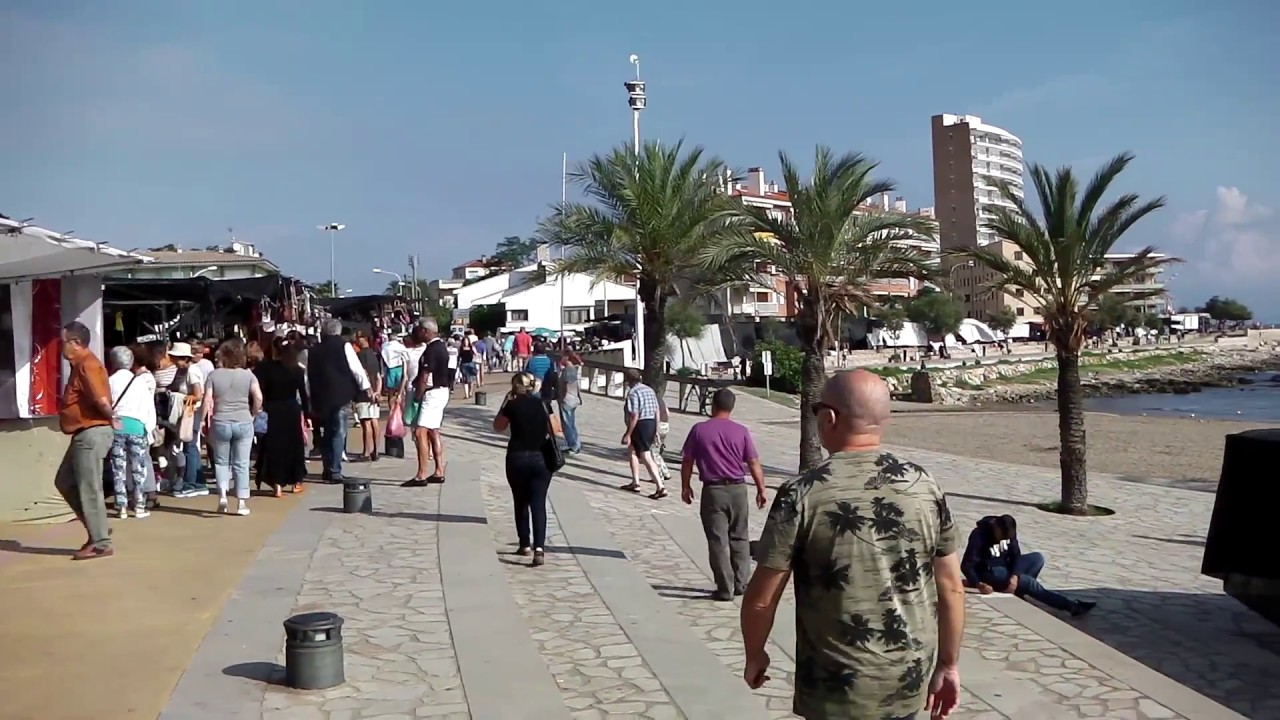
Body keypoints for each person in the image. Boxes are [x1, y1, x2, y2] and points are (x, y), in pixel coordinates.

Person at [741, 369, 964, 720]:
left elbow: (761, 599)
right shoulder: (925, 486)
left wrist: (755, 654)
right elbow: (952, 586)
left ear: (828, 417)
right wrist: (948, 665)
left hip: (834, 689)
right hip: (907, 680)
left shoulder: (802, 494)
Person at [679, 389, 767, 601]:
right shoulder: (741, 431)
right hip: (738, 490)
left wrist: (685, 486)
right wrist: (761, 489)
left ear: (713, 405)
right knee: (740, 536)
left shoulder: (699, 430)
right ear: (732, 407)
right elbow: (753, 462)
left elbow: (687, 461)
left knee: (718, 541)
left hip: (714, 490)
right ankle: (741, 582)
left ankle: (725, 588)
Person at [55, 321, 117, 560]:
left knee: (89, 487)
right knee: (65, 481)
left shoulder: (87, 365)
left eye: (63, 342)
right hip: (83, 433)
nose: (62, 348)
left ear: (76, 343)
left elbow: (100, 398)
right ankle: (97, 526)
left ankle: (101, 542)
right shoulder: (79, 365)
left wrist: (112, 416)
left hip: (92, 432)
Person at [961, 514, 1096, 617]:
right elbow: (967, 565)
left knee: (1037, 558)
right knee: (1029, 582)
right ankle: (1071, 606)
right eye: (1002, 537)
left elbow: (1016, 556)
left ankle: (1018, 588)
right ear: (996, 527)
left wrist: (1015, 575)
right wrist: (978, 583)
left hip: (1006, 569)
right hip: (990, 572)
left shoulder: (1008, 533)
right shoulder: (979, 535)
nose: (1004, 540)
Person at [492, 372, 560, 567]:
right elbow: (556, 429)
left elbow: (498, 426)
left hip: (517, 457)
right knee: (539, 502)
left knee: (520, 501)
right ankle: (539, 548)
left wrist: (505, 404)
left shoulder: (512, 405)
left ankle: (524, 543)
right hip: (541, 458)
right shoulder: (543, 404)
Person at [202, 339, 264, 516]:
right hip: (244, 420)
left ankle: (222, 495)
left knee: (221, 462)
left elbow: (207, 400)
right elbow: (258, 397)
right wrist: (253, 413)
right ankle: (242, 502)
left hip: (221, 421)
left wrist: (202, 421)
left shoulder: (214, 375)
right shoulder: (248, 375)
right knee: (242, 463)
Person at [307, 320, 372, 483]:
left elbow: (308, 376)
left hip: (320, 398)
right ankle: (335, 470)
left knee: (326, 434)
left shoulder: (314, 351)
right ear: (338, 331)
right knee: (338, 433)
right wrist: (366, 387)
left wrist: (309, 395)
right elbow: (356, 369)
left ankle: (327, 468)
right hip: (340, 396)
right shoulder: (345, 346)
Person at [254, 336, 310, 496]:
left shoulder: (265, 368)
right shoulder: (297, 370)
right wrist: (307, 414)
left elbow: (260, 390)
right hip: (291, 410)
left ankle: (277, 484)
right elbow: (303, 394)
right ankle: (296, 482)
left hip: (272, 409)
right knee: (294, 446)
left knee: (275, 446)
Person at [107, 346, 157, 519]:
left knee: (118, 468)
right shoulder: (140, 382)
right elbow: (149, 408)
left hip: (116, 426)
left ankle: (121, 506)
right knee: (138, 468)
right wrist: (148, 428)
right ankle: (139, 505)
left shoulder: (109, 381)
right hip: (137, 427)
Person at [402, 318, 451, 486]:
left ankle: (421, 474)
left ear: (425, 331)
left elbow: (425, 375)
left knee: (420, 432)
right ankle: (439, 470)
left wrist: (417, 396)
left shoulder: (431, 350)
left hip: (432, 392)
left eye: (419, 330)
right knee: (433, 431)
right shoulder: (442, 347)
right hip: (442, 390)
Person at [166, 341, 207, 497]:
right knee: (191, 447)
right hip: (188, 413)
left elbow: (198, 395)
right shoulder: (183, 371)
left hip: (191, 413)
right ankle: (198, 482)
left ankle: (190, 484)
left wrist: (180, 398)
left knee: (190, 447)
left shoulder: (191, 371)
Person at [619, 368, 668, 500]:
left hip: (640, 424)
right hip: (651, 422)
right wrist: (656, 429)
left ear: (628, 381)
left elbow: (634, 415)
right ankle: (635, 482)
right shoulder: (649, 390)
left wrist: (628, 433)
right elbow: (657, 410)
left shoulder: (633, 393)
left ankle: (660, 486)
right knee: (632, 451)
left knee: (645, 455)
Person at [353, 331, 383, 461]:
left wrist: (369, 390)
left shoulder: (359, 356)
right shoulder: (374, 355)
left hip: (363, 392)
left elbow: (362, 374)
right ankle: (375, 450)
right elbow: (378, 376)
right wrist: (377, 392)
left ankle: (366, 452)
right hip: (375, 392)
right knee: (374, 420)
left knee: (366, 423)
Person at [556, 350, 583, 454]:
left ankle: (573, 445)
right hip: (572, 399)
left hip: (567, 400)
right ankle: (574, 444)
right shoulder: (571, 369)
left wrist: (561, 397)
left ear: (566, 357)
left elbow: (567, 386)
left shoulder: (569, 370)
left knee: (567, 424)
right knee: (570, 423)